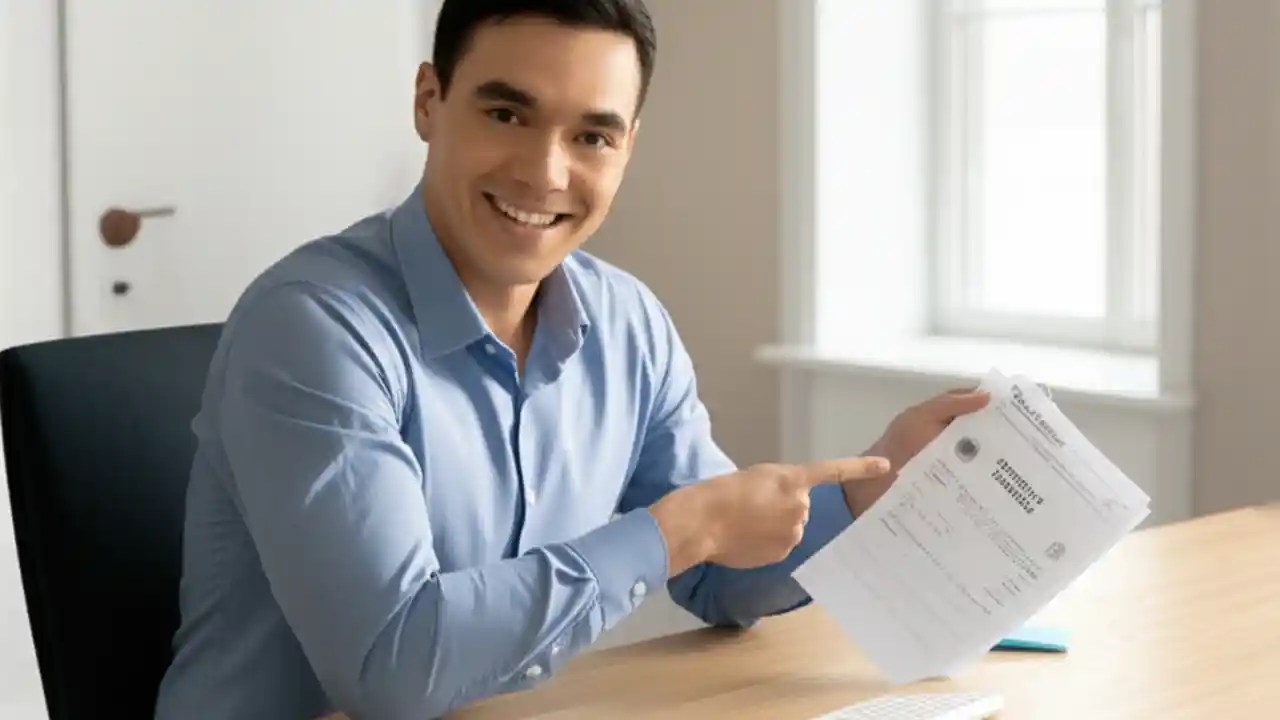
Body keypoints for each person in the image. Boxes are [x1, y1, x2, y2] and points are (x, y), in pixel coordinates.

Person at [153, 1, 989, 718]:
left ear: (627, 146)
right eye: (506, 114)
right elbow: (393, 669)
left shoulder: (627, 324)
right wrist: (675, 530)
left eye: (592, 135)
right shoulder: (312, 326)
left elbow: (719, 581)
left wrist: (868, 495)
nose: (544, 172)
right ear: (428, 101)